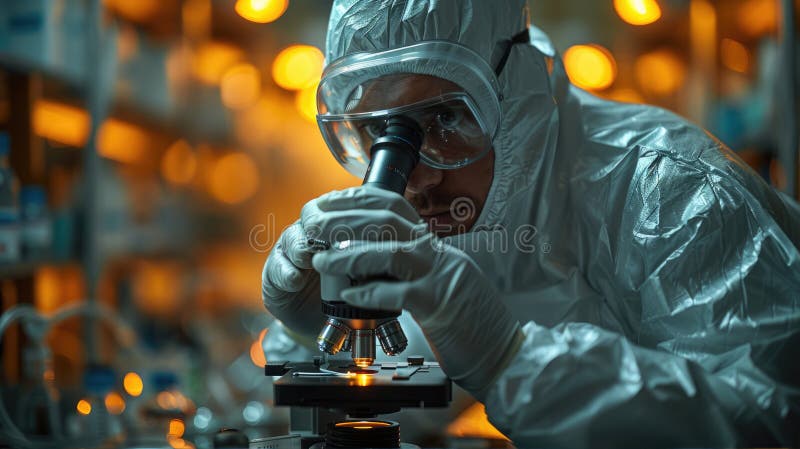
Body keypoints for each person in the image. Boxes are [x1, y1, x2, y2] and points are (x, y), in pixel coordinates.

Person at [262, 0, 800, 446]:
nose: (417, 180)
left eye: (446, 117)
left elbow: (770, 421)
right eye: (377, 134)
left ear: (512, 88)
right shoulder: (479, 208)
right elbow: (401, 400)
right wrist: (317, 333)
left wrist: (511, 361)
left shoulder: (672, 188)